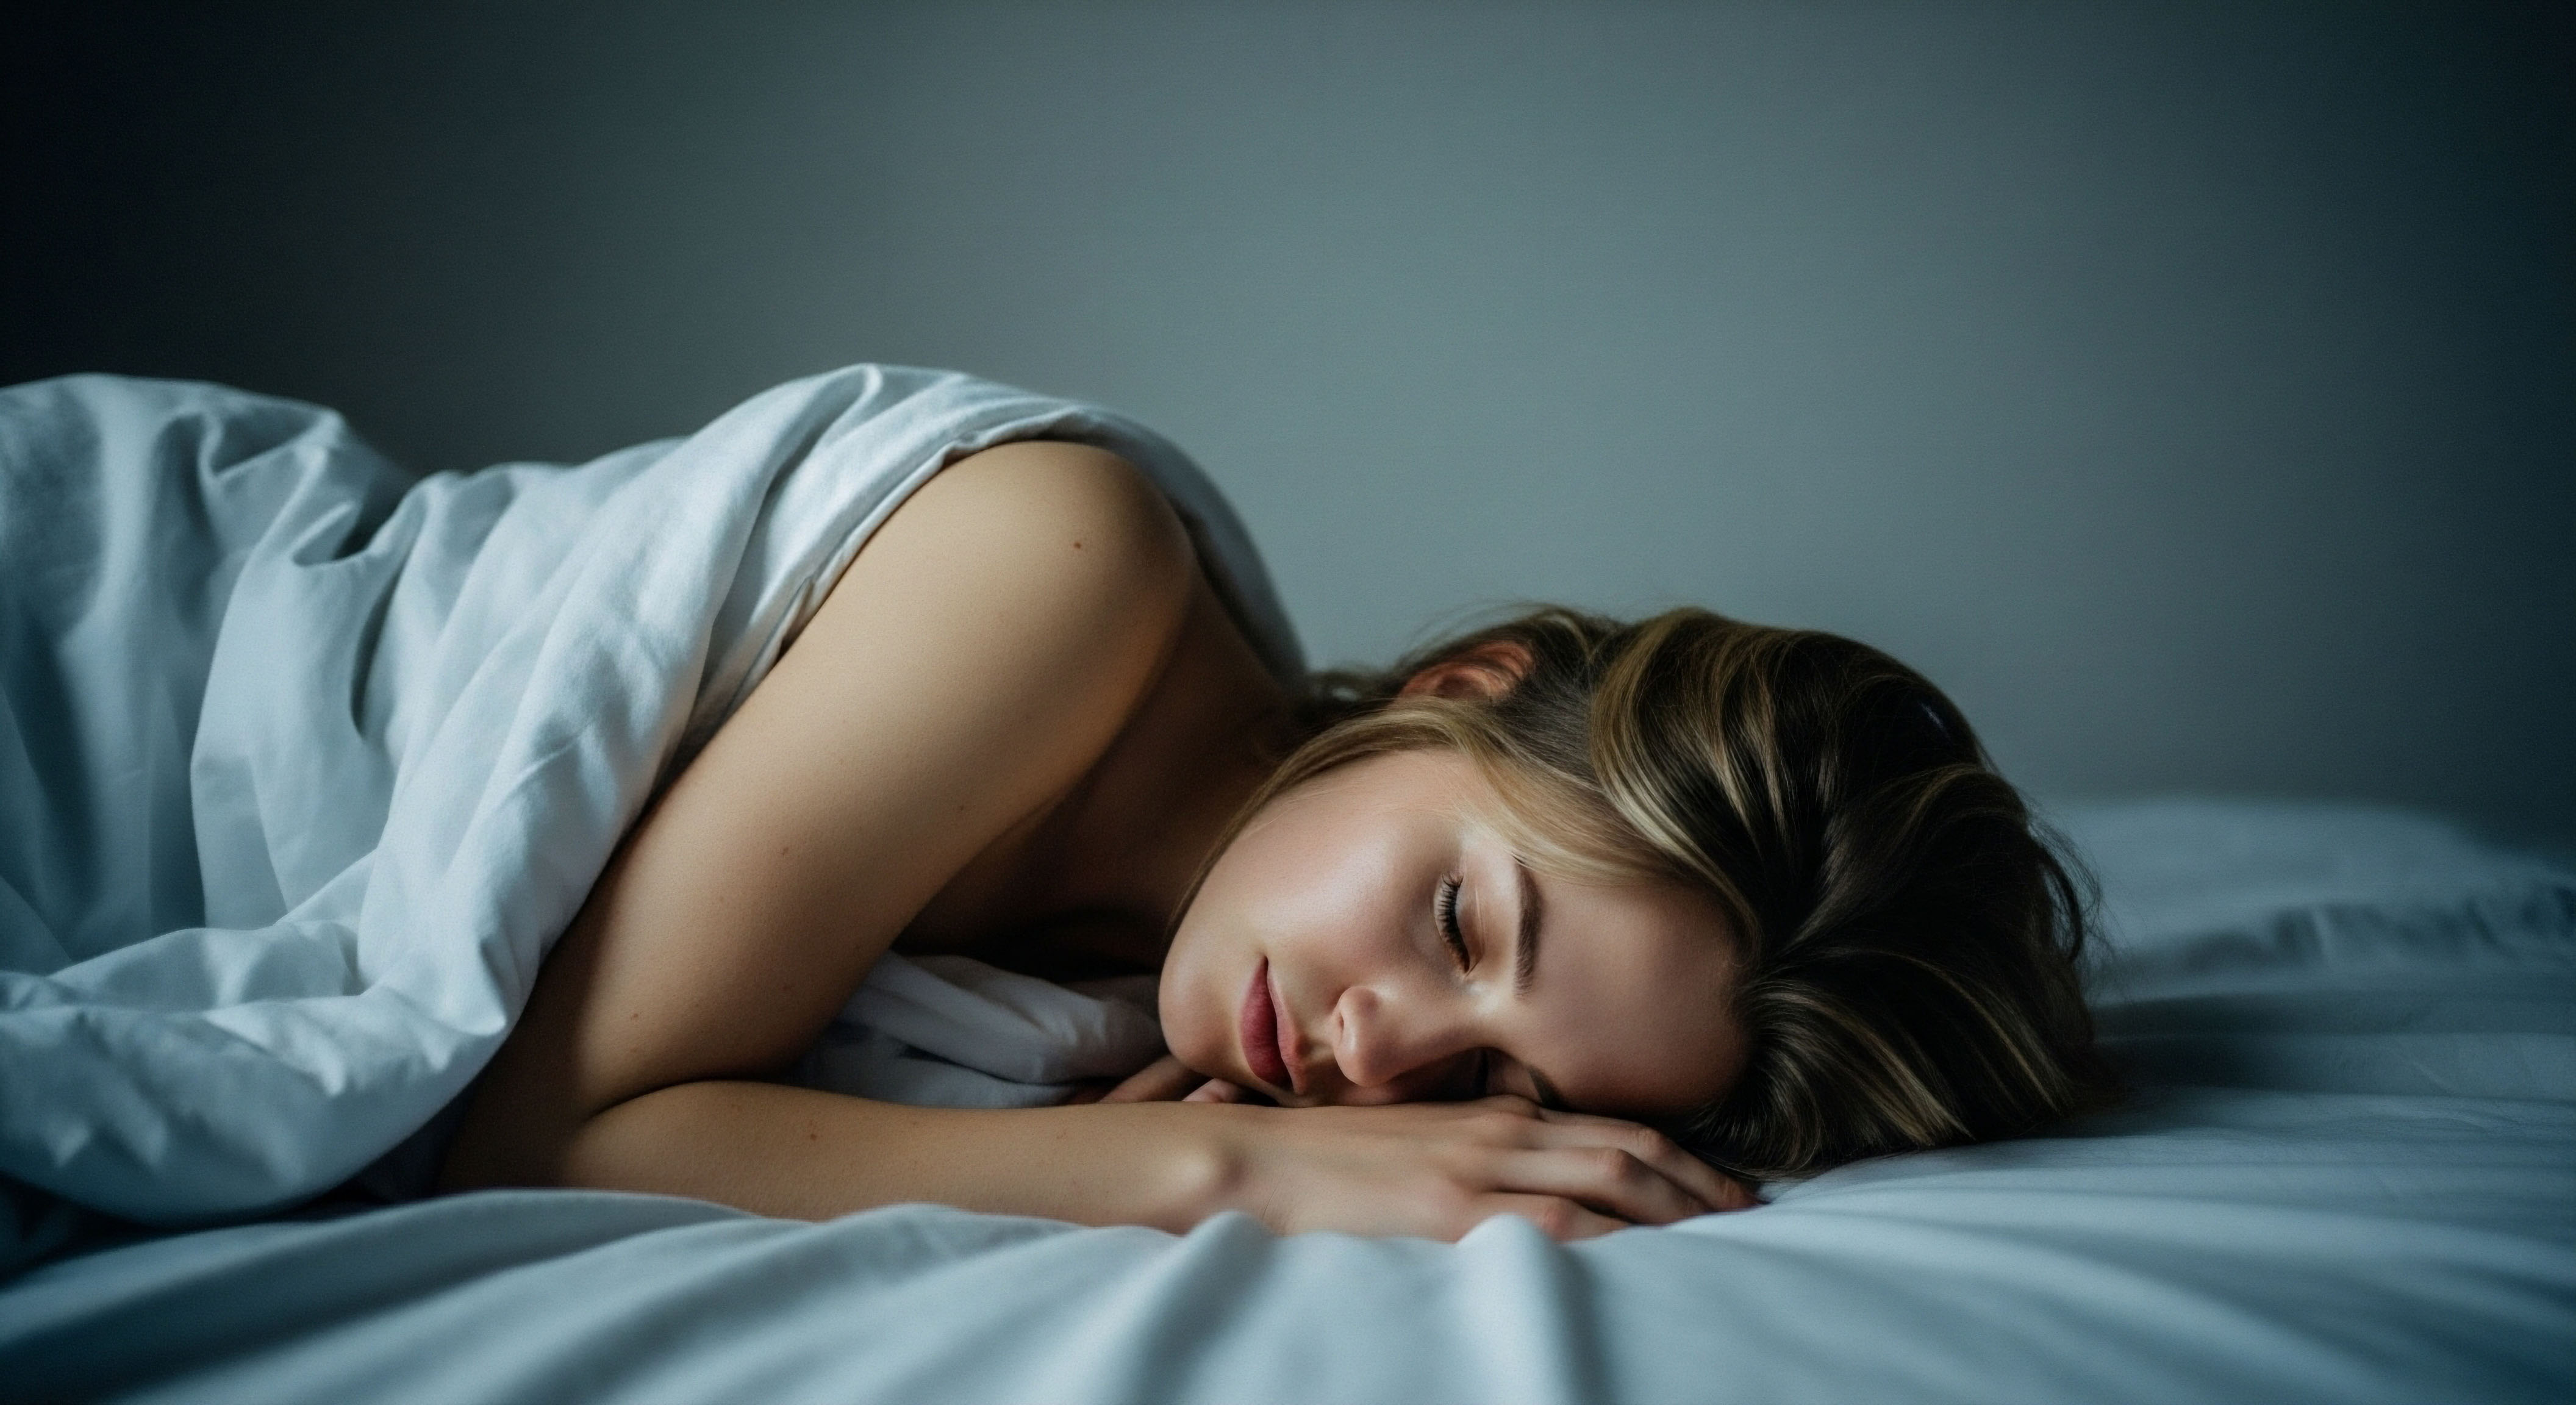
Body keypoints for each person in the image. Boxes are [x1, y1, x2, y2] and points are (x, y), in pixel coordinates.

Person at [438, 438, 2116, 1241]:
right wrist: (1219, 1168)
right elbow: (530, 1137)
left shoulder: (1122, 1010)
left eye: (1483, 1090)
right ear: (1465, 687)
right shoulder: (1063, 563)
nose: (1376, 1065)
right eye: (1463, 925)